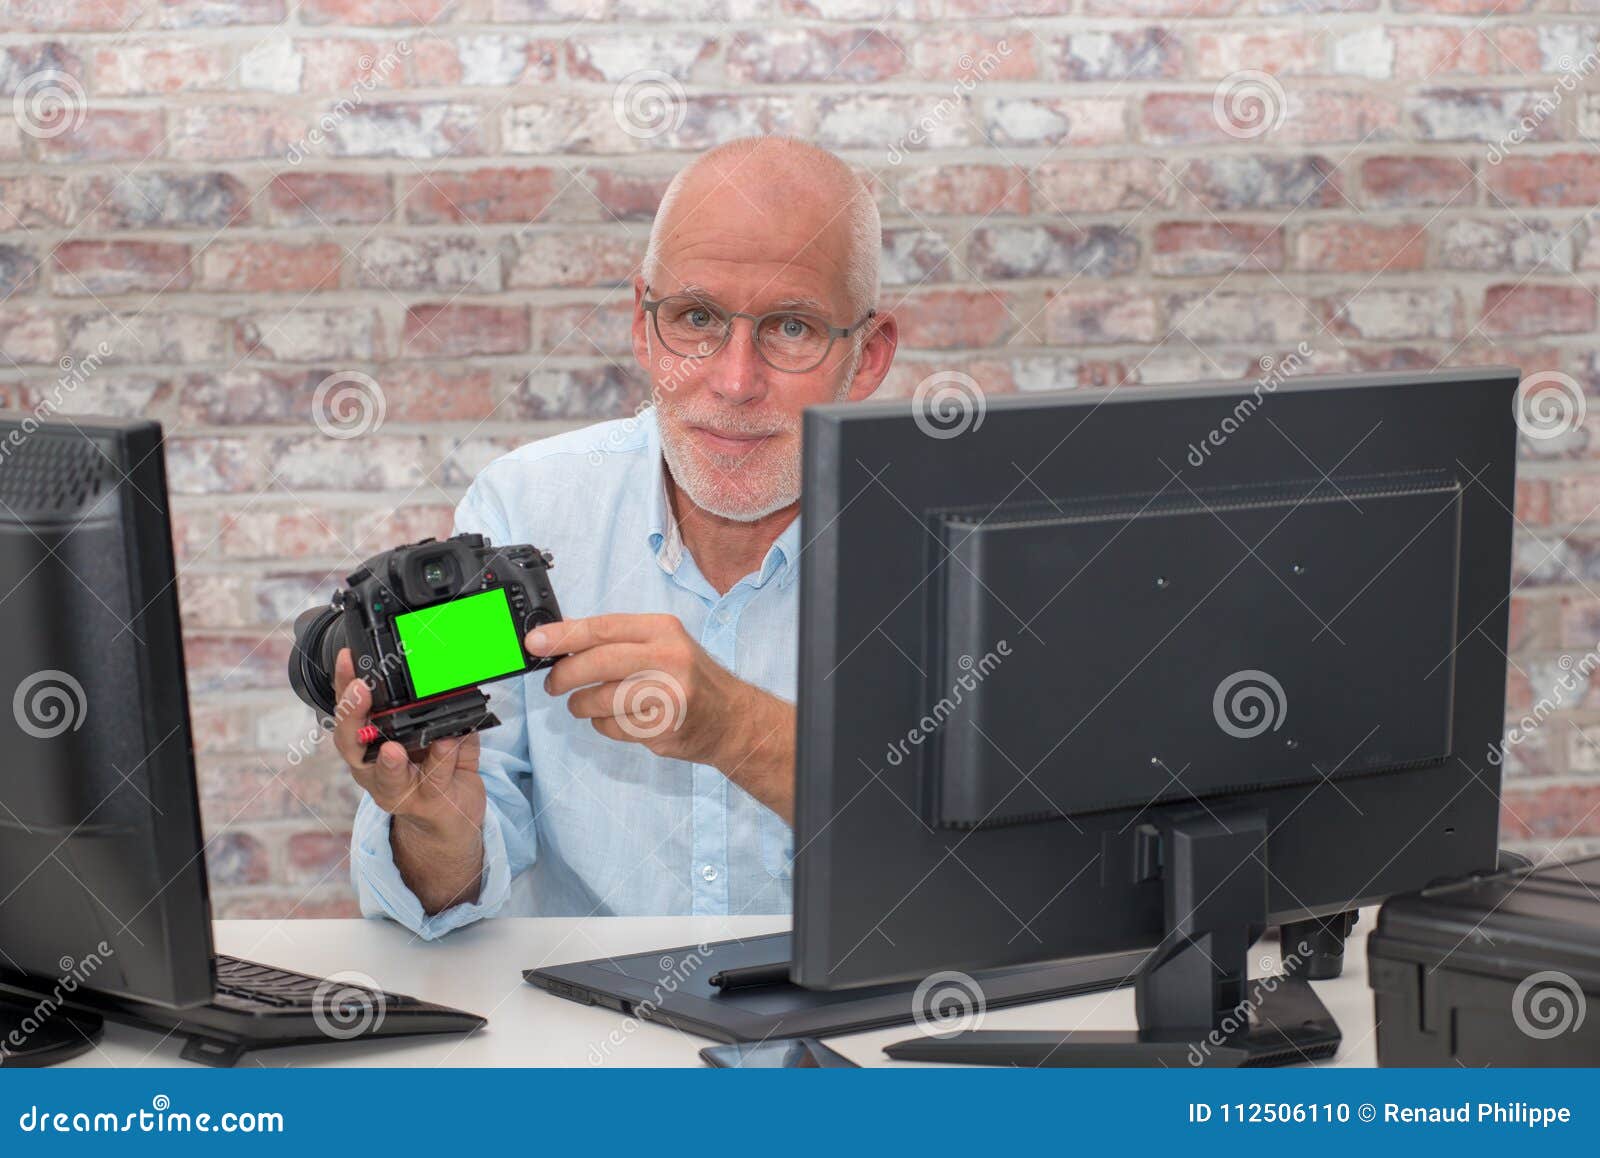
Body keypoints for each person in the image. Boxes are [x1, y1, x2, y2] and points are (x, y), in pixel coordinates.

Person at [340, 135, 899, 938]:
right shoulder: (522, 507)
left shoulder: (950, 539)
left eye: (792, 328)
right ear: (643, 327)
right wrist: (437, 824)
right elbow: (447, 884)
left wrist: (737, 730)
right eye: (696, 318)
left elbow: (991, 859)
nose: (735, 381)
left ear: (869, 354)